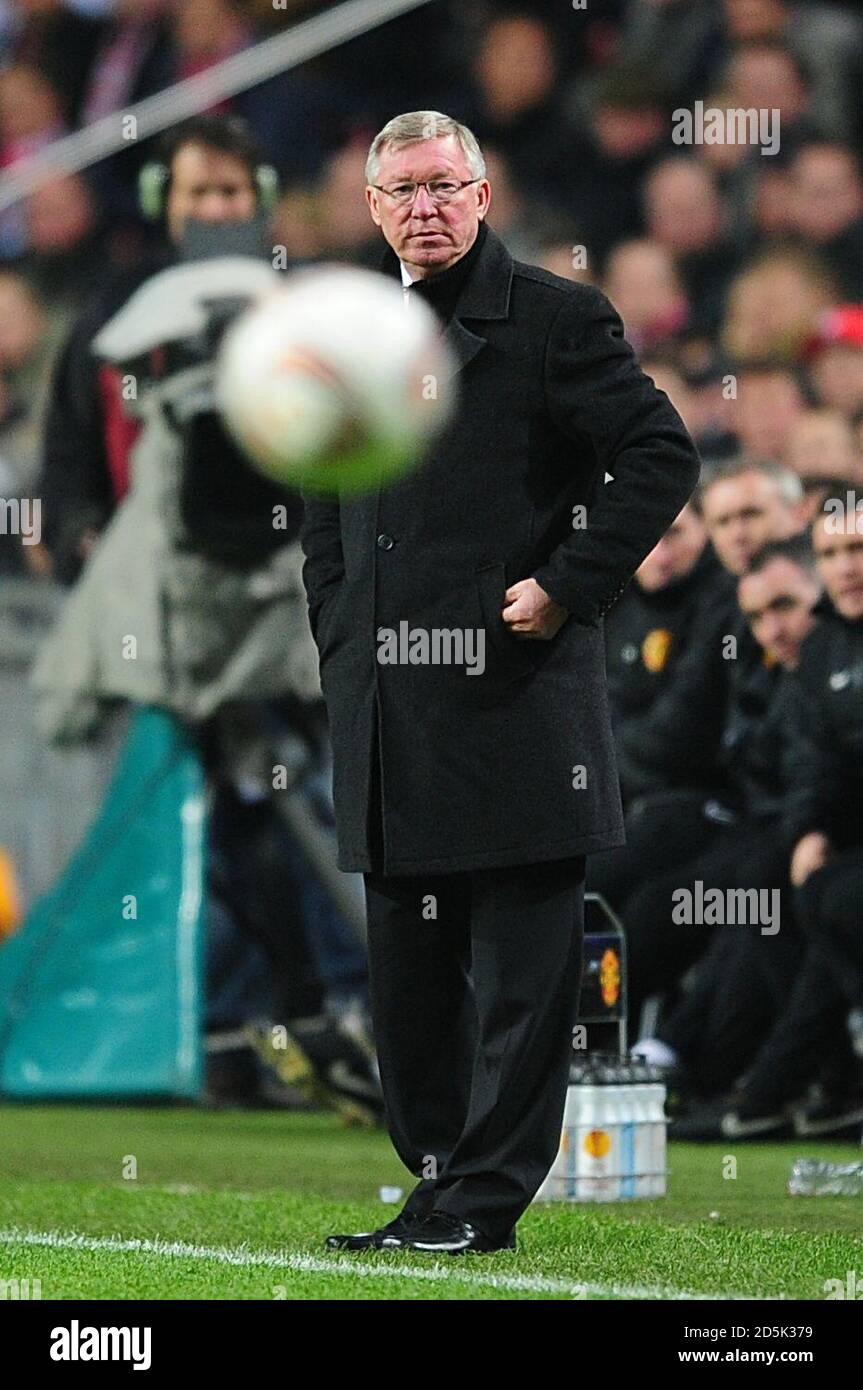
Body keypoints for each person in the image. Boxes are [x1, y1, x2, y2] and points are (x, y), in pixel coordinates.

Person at [301, 109, 700, 1256]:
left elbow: (659, 452)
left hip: (517, 700)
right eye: (399, 191)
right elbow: (324, 493)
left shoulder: (555, 316)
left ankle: (481, 1201)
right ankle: (435, 1185)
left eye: (441, 185)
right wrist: (336, 624)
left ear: (482, 196)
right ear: (371, 208)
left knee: (525, 989)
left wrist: (569, 583)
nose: (422, 208)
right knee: (410, 989)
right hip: (387, 702)